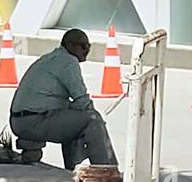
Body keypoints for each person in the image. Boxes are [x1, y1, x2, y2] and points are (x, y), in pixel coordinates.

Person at [9, 28, 120, 173]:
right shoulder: (68, 61)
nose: (86, 50)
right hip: (33, 121)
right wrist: (98, 123)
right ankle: (107, 170)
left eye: (88, 46)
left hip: (20, 120)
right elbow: (81, 98)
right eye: (82, 46)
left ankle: (73, 168)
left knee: (74, 118)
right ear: (70, 45)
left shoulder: (52, 58)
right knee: (92, 119)